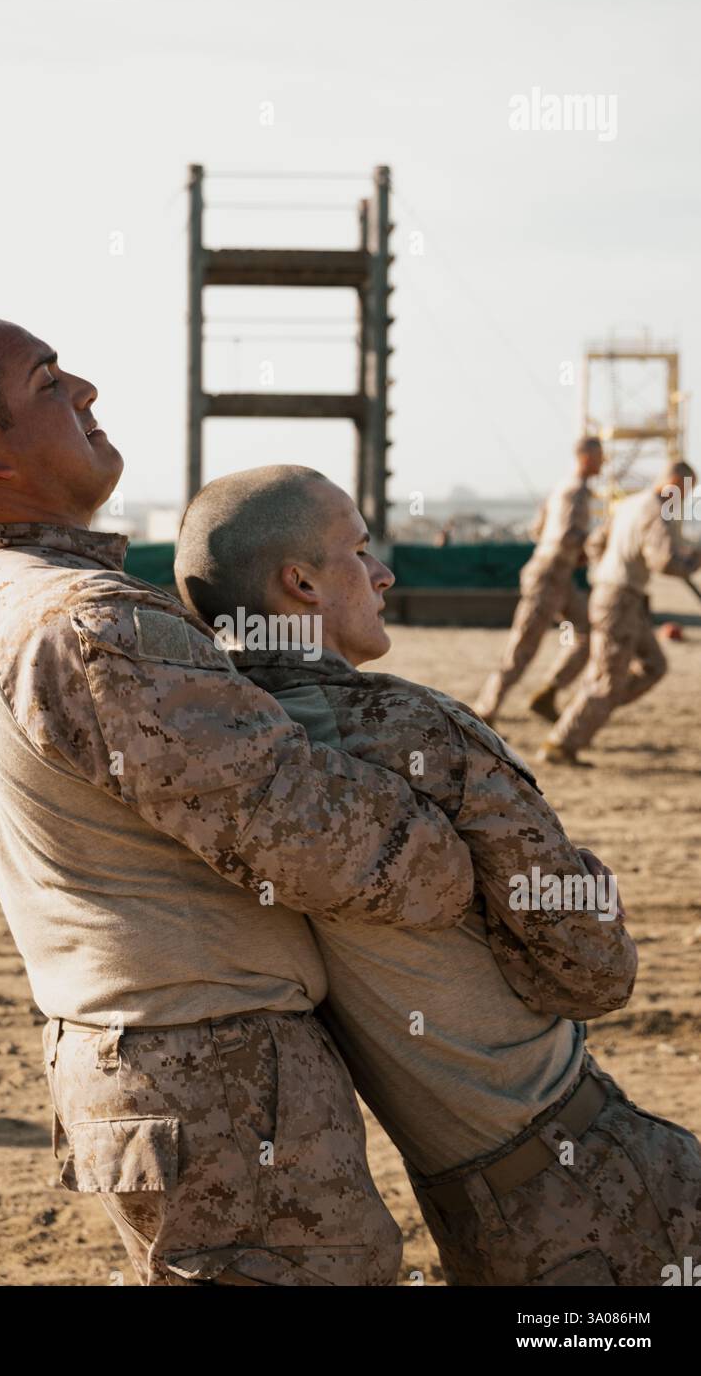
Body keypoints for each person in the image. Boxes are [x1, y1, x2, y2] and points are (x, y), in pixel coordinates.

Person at [0, 314, 479, 1288]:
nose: (88, 392)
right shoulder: (90, 620)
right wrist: (474, 845)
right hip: (214, 1077)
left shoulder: (7, 591)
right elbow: (309, 835)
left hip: (172, 1068)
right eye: (50, 383)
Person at [175, 464, 701, 1286]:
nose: (384, 573)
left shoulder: (207, 749)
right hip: (591, 1169)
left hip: (468, 1204)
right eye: (361, 551)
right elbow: (596, 972)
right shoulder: (418, 732)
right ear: (301, 583)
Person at [540, 462, 701, 765]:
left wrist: (602, 572)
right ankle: (561, 743)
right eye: (686, 491)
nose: (684, 499)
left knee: (654, 664)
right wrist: (693, 561)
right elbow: (664, 561)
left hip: (617, 595)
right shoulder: (658, 509)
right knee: (607, 680)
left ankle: (592, 712)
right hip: (620, 600)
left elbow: (595, 542)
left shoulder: (628, 504)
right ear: (675, 482)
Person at [475, 436, 603, 725]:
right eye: (599, 457)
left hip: (558, 574)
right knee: (522, 649)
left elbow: (537, 530)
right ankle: (485, 710)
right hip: (549, 575)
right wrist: (594, 546)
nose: (603, 463)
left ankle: (548, 693)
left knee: (589, 634)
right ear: (586, 458)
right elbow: (570, 534)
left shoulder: (559, 488)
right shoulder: (578, 491)